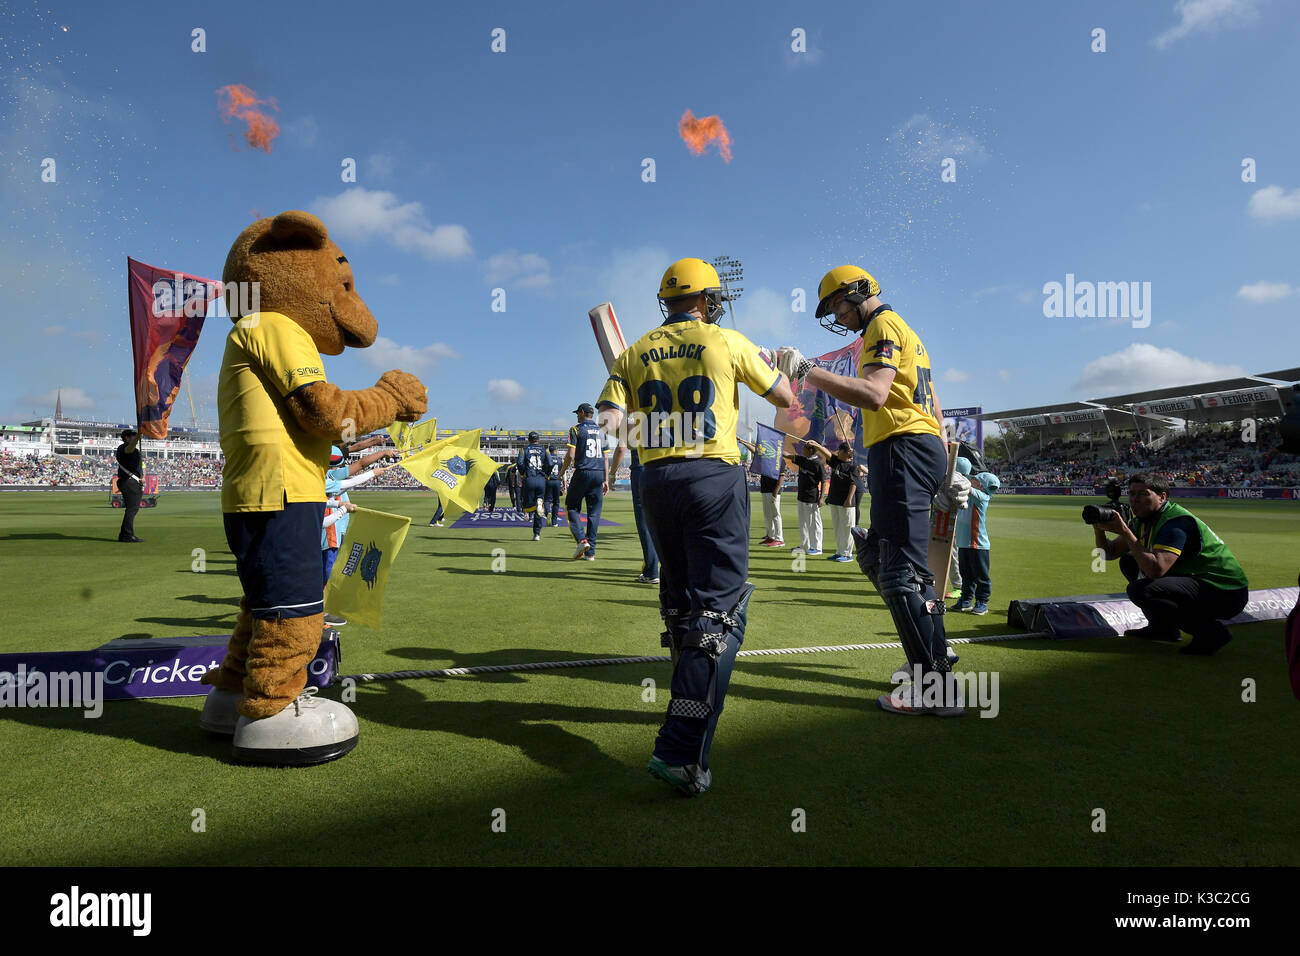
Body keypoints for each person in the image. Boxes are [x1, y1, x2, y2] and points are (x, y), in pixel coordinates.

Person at [597, 256, 794, 795]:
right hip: (713, 475)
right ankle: (681, 750)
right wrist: (784, 366)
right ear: (707, 300)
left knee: (680, 606)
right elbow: (784, 397)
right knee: (719, 611)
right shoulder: (727, 339)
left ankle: (684, 723)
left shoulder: (635, 350)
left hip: (656, 481)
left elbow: (610, 421)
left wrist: (647, 424)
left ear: (667, 301)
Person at [774, 265, 970, 716]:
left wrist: (809, 371)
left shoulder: (881, 325)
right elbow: (934, 404)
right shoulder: (906, 330)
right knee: (889, 560)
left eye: (838, 305)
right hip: (914, 448)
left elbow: (875, 394)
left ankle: (935, 686)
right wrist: (945, 463)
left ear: (859, 292)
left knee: (900, 573)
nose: (838, 316)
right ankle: (934, 650)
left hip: (901, 447)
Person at [1092, 473, 1249, 655]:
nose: (1135, 500)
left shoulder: (1175, 522)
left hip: (1225, 591)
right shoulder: (1143, 520)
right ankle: (1162, 628)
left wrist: (1125, 531)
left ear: (1162, 497)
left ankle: (1211, 633)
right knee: (1129, 561)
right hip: (1200, 581)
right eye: (1132, 494)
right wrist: (1099, 529)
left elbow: (1156, 570)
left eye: (1143, 494)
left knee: (1142, 589)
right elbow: (1108, 553)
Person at [323, 444, 399, 625]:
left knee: (328, 571)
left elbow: (360, 464)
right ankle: (323, 612)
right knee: (327, 572)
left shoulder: (326, 474)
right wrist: (375, 470)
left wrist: (381, 453)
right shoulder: (327, 477)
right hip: (328, 531)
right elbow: (357, 470)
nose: (338, 468)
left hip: (333, 529)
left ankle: (325, 609)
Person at [561, 403, 608, 561]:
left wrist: (561, 473)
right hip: (599, 473)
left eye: (577, 413)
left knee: (571, 506)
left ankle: (582, 540)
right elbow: (606, 457)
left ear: (582, 413)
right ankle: (590, 553)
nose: (576, 416)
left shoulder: (576, 429)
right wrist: (606, 479)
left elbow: (570, 455)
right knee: (594, 514)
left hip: (583, 472)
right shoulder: (602, 431)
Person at [953, 467, 1000, 615]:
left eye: (975, 479)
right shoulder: (971, 495)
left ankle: (982, 602)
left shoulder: (982, 497)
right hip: (964, 542)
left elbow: (966, 487)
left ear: (980, 485)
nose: (971, 481)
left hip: (977, 544)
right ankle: (966, 600)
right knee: (966, 574)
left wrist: (955, 474)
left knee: (981, 576)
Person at [611, 441, 659, 583]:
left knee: (644, 521)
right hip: (666, 466)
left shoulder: (633, 419)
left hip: (643, 469)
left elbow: (621, 448)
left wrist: (612, 473)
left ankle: (652, 571)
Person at [803, 438, 856, 562]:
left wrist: (849, 499)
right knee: (838, 527)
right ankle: (840, 551)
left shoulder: (853, 466)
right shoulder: (837, 462)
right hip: (835, 500)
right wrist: (815, 444)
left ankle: (847, 554)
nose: (838, 453)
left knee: (847, 528)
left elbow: (853, 484)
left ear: (848, 452)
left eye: (841, 451)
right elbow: (826, 453)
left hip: (846, 502)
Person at [737, 437, 785, 548]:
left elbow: (782, 476)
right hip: (765, 489)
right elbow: (755, 450)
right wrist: (743, 441)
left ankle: (779, 538)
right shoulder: (766, 457)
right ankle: (770, 536)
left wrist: (776, 491)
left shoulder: (779, 459)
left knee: (776, 515)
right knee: (768, 515)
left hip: (774, 491)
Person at [783, 442, 826, 556]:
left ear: (812, 450)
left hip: (812, 497)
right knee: (803, 523)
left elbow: (823, 481)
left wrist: (821, 498)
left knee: (814, 523)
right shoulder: (802, 459)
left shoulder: (818, 464)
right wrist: (776, 445)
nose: (803, 450)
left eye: (805, 448)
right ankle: (805, 545)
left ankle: (816, 547)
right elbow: (787, 455)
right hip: (801, 496)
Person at [517, 430, 552, 541]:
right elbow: (550, 463)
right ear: (539, 440)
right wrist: (546, 474)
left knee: (528, 501)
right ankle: (537, 534)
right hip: (541, 479)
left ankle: (527, 511)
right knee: (539, 507)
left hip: (529, 479)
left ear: (528, 440)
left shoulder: (524, 449)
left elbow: (520, 463)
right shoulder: (545, 450)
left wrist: (523, 474)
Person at [115, 428, 145, 542]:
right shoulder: (123, 447)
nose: (134, 437)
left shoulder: (135, 450)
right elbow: (128, 449)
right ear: (126, 438)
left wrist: (141, 476)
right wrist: (138, 437)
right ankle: (128, 535)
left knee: (131, 509)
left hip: (132, 481)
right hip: (129, 482)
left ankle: (124, 535)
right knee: (132, 509)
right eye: (132, 435)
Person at [544, 445, 564, 527]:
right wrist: (564, 484)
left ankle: (548, 511)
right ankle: (554, 522)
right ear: (555, 451)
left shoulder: (546, 459)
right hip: (557, 481)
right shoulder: (560, 460)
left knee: (547, 500)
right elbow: (563, 472)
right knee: (556, 502)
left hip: (548, 480)